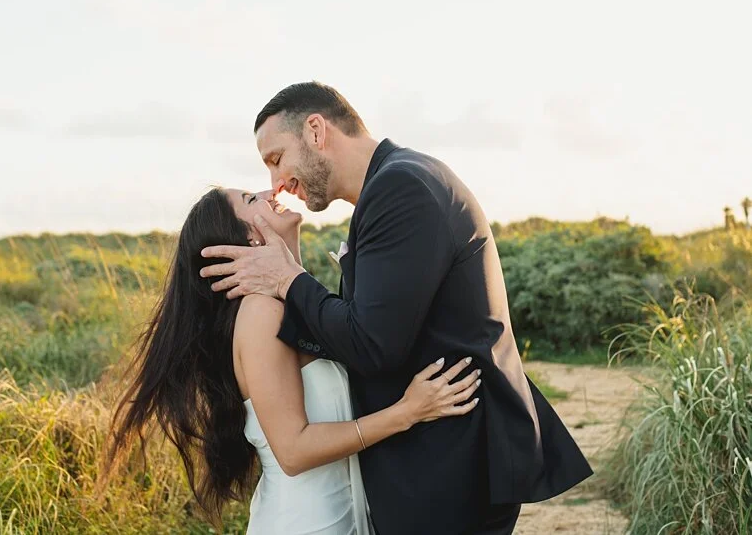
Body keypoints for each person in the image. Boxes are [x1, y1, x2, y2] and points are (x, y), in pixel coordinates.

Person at [200, 82, 593, 534]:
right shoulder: (395, 184)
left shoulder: (400, 188)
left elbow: (371, 345)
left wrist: (290, 279)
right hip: (431, 466)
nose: (276, 183)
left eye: (276, 158)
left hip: (446, 463)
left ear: (315, 131)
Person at [103, 186, 481, 534]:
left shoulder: (291, 303)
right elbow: (293, 451)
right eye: (251, 199)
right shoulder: (261, 313)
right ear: (250, 237)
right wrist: (407, 412)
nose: (272, 190)